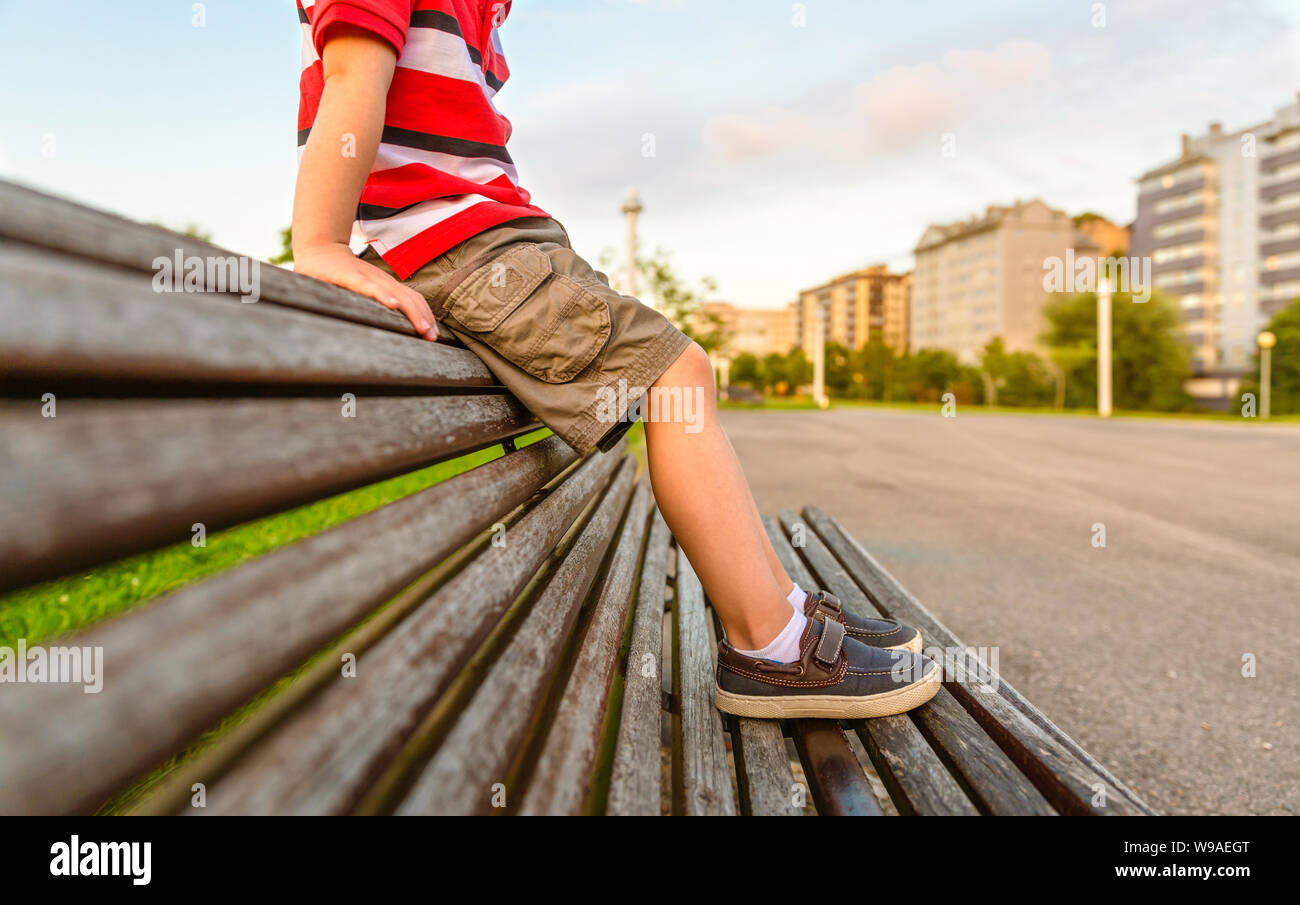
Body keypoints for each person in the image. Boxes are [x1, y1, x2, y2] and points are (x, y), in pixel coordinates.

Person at [289, 0, 939, 718]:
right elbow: (351, 73)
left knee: (680, 372)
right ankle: (769, 646)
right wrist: (318, 243)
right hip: (459, 244)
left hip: (500, 237)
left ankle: (778, 608)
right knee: (678, 376)